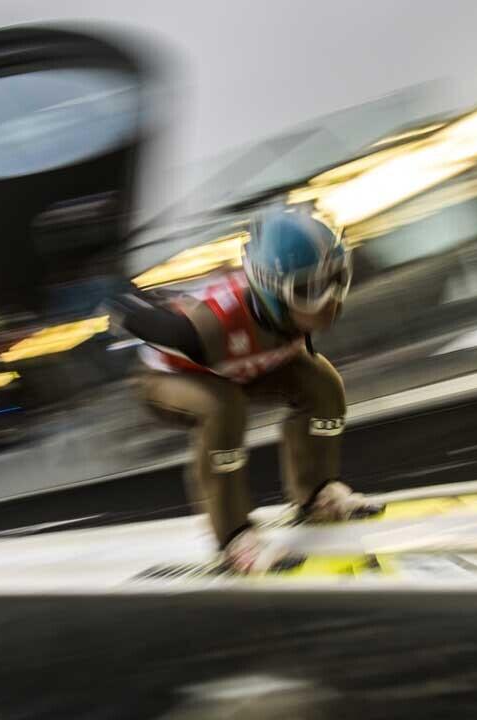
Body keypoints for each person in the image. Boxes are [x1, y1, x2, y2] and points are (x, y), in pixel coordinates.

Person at [105, 207, 383, 574]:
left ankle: (316, 495)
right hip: (166, 378)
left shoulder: (289, 311)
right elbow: (133, 311)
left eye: (336, 279)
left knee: (323, 384)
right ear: (269, 288)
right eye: (310, 289)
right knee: (223, 406)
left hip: (242, 367)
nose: (330, 299)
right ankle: (234, 537)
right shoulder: (211, 325)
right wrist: (121, 303)